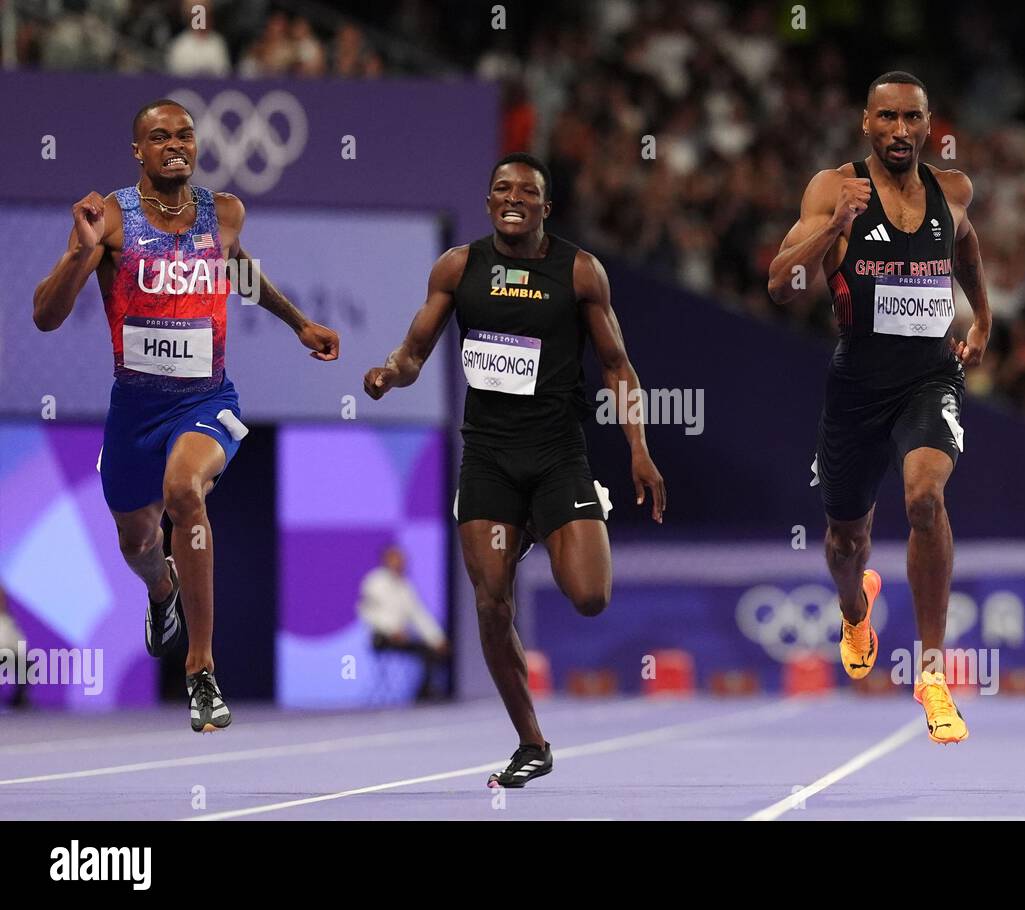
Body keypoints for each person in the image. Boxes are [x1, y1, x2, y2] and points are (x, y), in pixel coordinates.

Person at [32, 99, 339, 732]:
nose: (176, 144)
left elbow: (241, 270)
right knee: (138, 542)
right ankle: (161, 592)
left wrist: (299, 323)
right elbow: (45, 315)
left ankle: (200, 670)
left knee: (183, 492)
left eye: (185, 135)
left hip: (206, 400)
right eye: (159, 136)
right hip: (135, 410)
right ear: (137, 151)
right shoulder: (108, 218)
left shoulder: (223, 213)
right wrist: (77, 255)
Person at [364, 152, 666, 787]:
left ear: (544, 207)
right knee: (491, 601)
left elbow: (617, 367)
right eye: (501, 188)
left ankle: (540, 527)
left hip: (558, 453)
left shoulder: (580, 272)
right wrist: (390, 374)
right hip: (490, 459)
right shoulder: (457, 267)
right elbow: (416, 351)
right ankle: (532, 740)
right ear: (488, 201)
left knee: (589, 596)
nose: (512, 197)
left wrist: (638, 446)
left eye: (526, 191)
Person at [768, 72, 992, 744]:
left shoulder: (951, 191)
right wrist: (834, 227)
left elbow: (968, 251)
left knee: (925, 499)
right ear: (866, 121)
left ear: (930, 123)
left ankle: (930, 672)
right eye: (887, 117)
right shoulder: (833, 189)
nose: (901, 131)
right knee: (846, 542)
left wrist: (982, 319)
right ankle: (853, 605)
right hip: (858, 388)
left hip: (930, 379)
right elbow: (780, 283)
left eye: (913, 119)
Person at [357, 545, 450, 701]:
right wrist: (390, 631)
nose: (399, 562)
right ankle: (422, 694)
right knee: (423, 651)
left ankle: (423, 693)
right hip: (381, 637)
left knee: (431, 650)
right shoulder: (375, 581)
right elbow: (367, 612)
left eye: (401, 559)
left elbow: (419, 616)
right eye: (395, 558)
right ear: (386, 560)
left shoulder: (405, 586)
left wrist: (437, 638)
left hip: (402, 636)